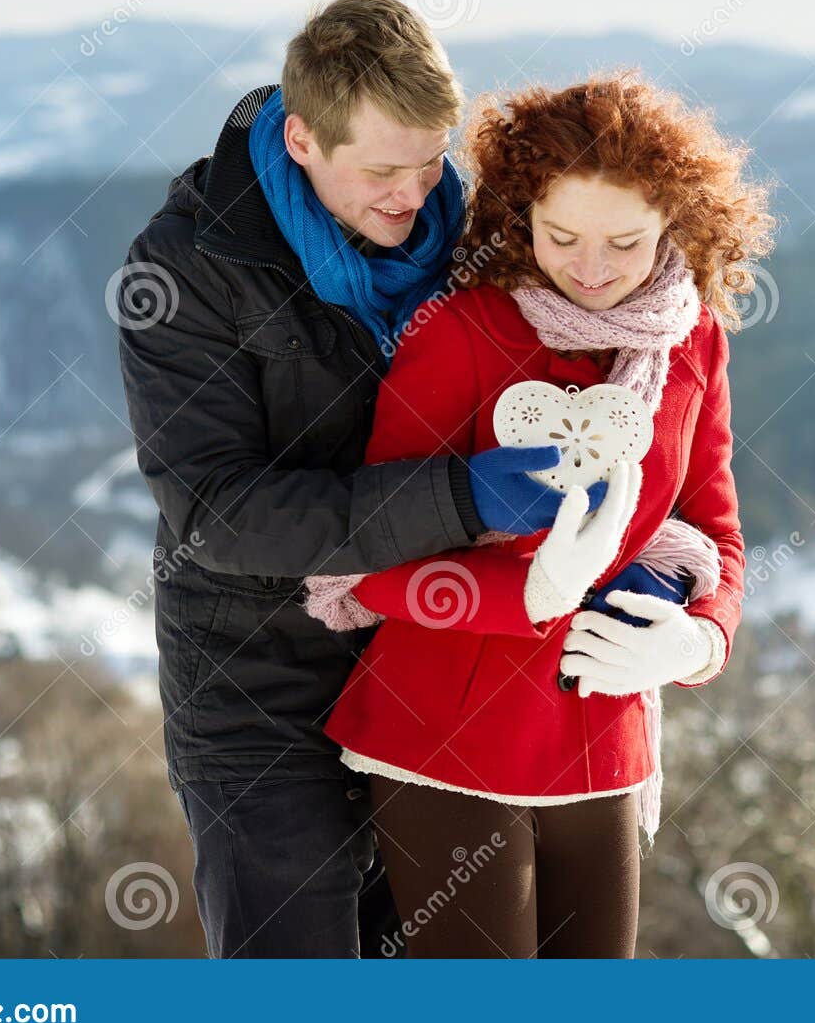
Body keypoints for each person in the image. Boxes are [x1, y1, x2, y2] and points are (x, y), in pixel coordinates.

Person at [114, 0, 608, 957]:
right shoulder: (189, 268)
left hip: (426, 661)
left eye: (431, 164)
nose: (412, 197)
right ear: (301, 139)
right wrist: (462, 496)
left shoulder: (473, 242)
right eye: (381, 172)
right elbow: (218, 512)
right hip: (256, 679)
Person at [302, 73, 775, 956]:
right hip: (445, 733)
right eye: (561, 237)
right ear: (522, 217)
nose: (590, 268)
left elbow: (715, 528)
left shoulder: (694, 340)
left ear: (675, 223)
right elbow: (365, 557)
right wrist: (528, 592)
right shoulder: (462, 331)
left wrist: (699, 642)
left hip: (603, 727)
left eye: (624, 242)